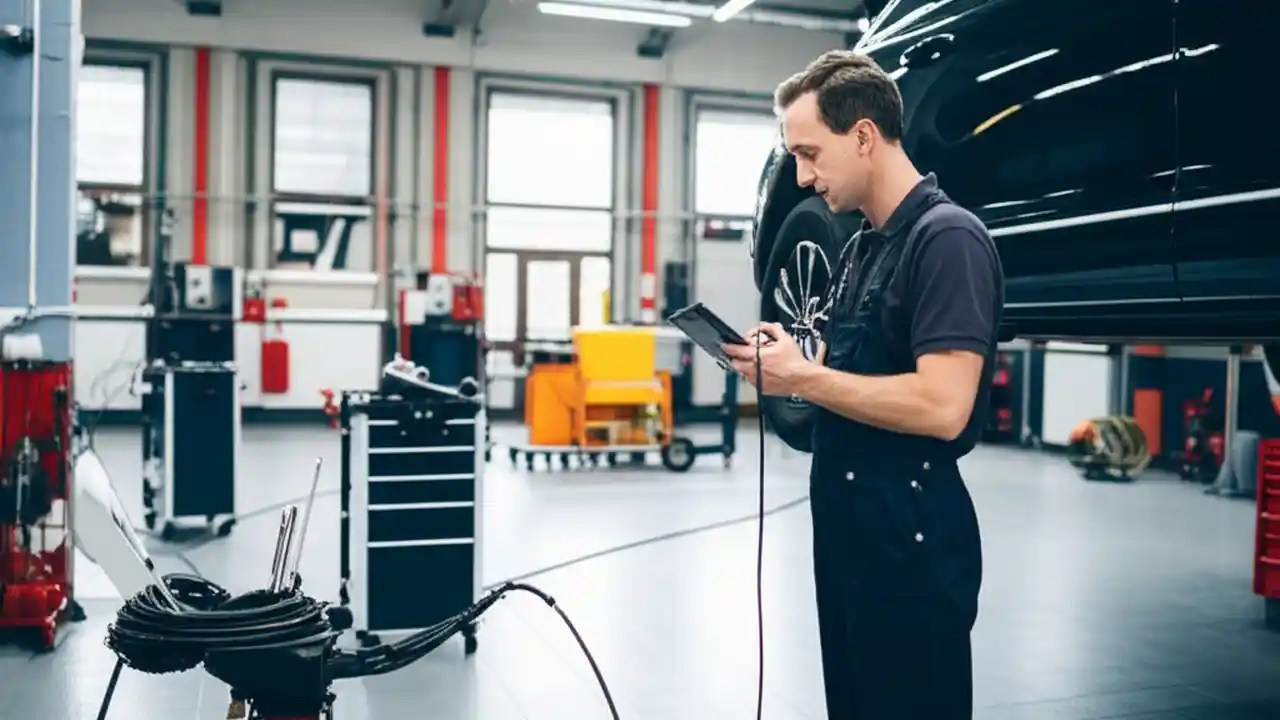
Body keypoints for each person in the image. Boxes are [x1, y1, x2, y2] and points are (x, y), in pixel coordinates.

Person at [723, 50, 1004, 719]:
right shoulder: (861, 249)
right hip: (851, 539)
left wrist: (807, 378)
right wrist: (796, 358)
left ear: (864, 136)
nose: (802, 175)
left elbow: (942, 406)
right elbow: (856, 373)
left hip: (908, 548)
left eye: (810, 153)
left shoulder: (948, 241)